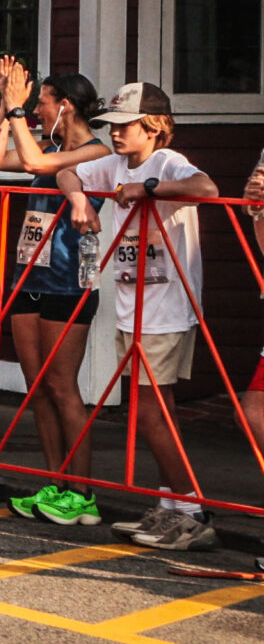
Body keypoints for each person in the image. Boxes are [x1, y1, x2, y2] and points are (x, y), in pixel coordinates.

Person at [55, 83, 219, 550]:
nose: (116, 135)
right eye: (112, 127)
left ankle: (192, 511)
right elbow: (68, 174)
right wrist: (80, 199)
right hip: (132, 305)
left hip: (166, 308)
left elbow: (206, 188)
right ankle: (169, 507)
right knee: (148, 412)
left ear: (153, 127)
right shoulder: (112, 163)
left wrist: (149, 189)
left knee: (152, 414)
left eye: (125, 127)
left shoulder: (167, 163)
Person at [0, 60, 108, 525]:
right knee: (38, 388)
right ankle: (56, 485)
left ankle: (84, 491)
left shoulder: (96, 152)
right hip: (28, 276)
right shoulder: (50, 146)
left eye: (43, 101)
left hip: (68, 279)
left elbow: (36, 164)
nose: (36, 109)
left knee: (62, 386)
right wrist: (4, 105)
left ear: (66, 106)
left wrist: (17, 110)